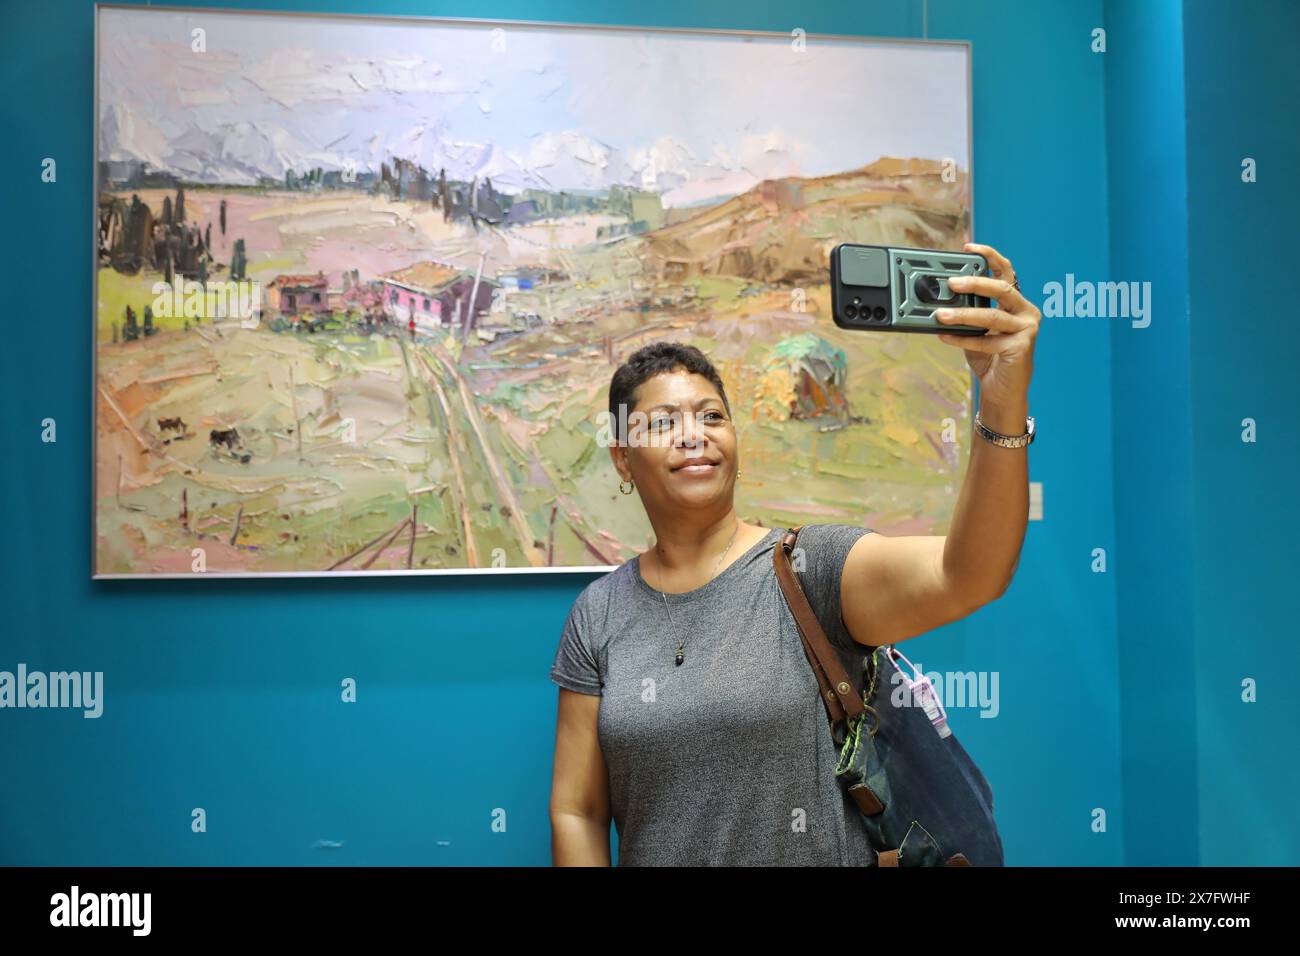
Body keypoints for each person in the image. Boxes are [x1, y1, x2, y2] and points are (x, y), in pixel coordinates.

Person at [548, 242, 1040, 866]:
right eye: (664, 422)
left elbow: (969, 575)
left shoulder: (813, 570)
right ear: (623, 458)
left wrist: (1002, 398)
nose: (695, 434)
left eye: (711, 416)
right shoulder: (599, 614)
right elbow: (578, 809)